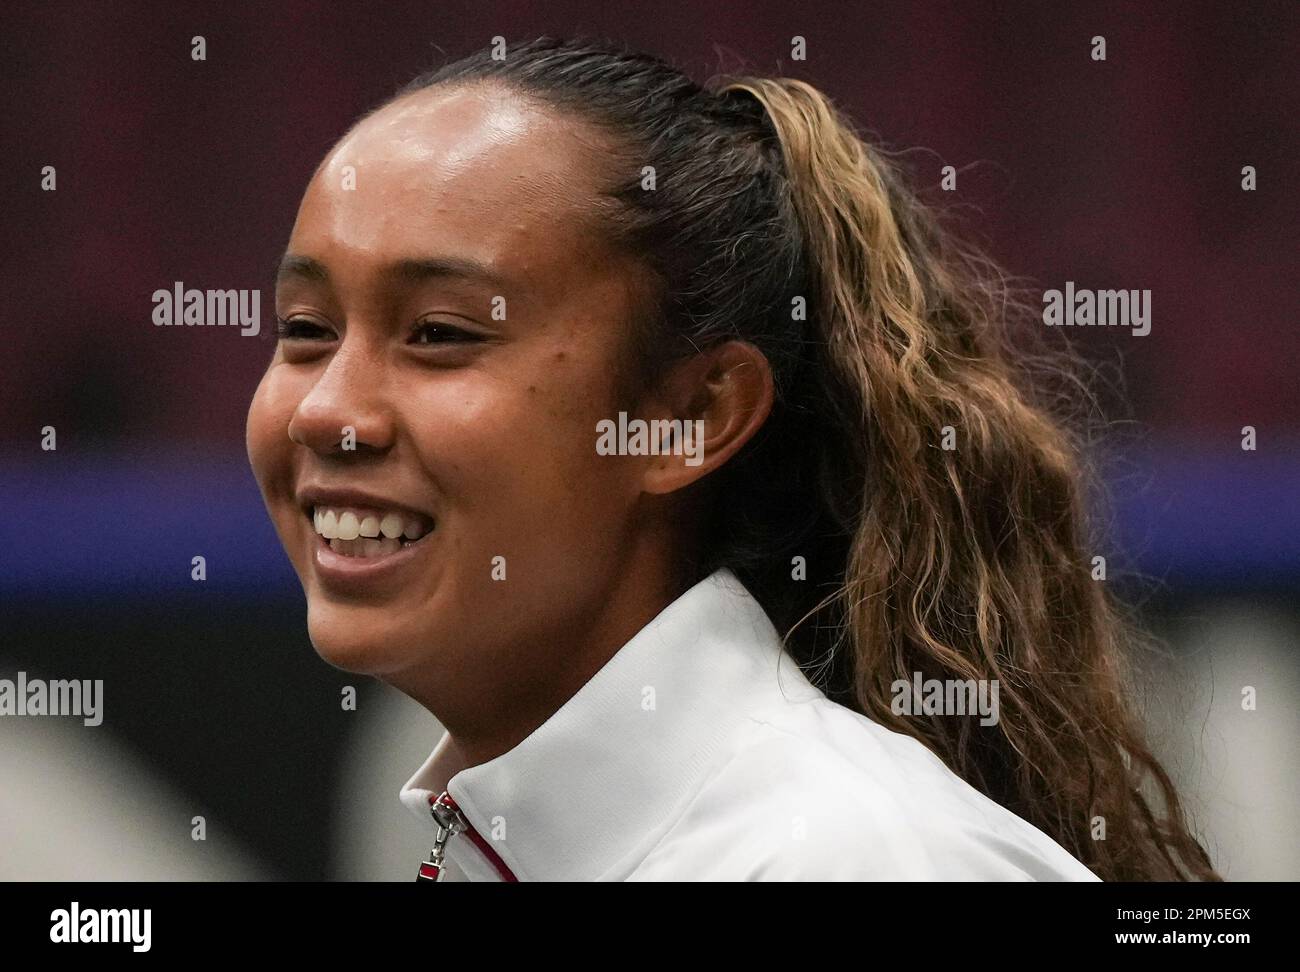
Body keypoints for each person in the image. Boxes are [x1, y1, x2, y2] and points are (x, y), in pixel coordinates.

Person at [245, 36, 1218, 881]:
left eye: (442, 334)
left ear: (691, 417)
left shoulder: (858, 862)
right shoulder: (494, 845)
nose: (329, 411)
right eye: (304, 328)